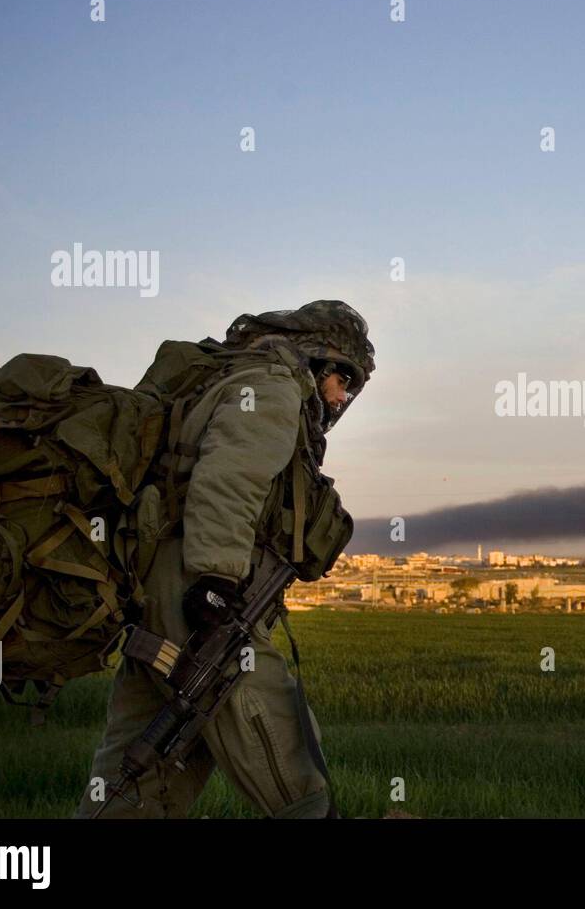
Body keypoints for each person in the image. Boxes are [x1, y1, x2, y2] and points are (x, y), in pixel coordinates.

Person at [74, 300, 375, 819]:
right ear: (319, 362)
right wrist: (215, 578)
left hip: (164, 591)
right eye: (342, 380)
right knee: (270, 723)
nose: (342, 396)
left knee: (144, 763)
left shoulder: (223, 381)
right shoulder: (275, 387)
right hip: (201, 592)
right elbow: (230, 478)